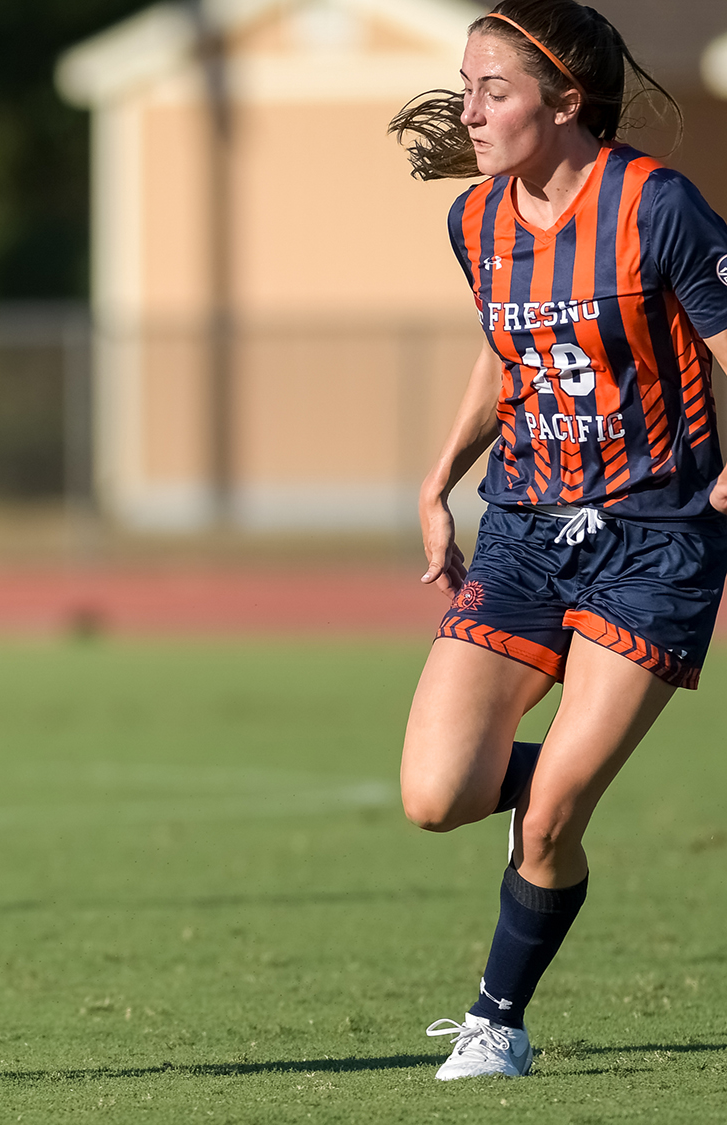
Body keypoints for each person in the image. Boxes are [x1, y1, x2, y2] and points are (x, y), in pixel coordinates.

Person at [389, 0, 727, 1081]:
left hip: (655, 539)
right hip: (525, 532)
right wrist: (439, 476)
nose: (468, 110)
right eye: (464, 85)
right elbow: (505, 352)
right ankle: (557, 782)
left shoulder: (657, 207)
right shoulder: (474, 223)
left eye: (492, 89)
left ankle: (496, 1023)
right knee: (434, 796)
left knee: (545, 828)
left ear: (564, 102)